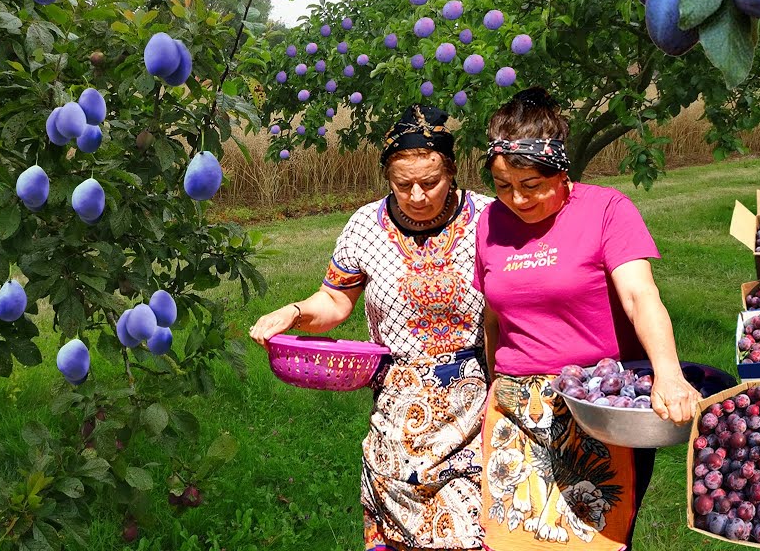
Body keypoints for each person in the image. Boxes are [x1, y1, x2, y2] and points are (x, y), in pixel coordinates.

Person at [250, 104, 494, 551]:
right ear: (388, 178)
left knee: (471, 533)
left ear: (453, 171)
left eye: (431, 182)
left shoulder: (489, 220)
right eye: (404, 185)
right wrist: (294, 312)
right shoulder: (365, 226)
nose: (417, 196)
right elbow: (335, 300)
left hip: (477, 404)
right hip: (396, 409)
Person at [471, 87, 700, 551]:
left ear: (561, 171)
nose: (516, 198)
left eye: (531, 185)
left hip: (597, 408)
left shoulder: (606, 210)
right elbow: (494, 318)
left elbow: (640, 296)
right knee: (514, 540)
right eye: (502, 185)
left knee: (592, 540)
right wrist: (495, 382)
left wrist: (670, 376)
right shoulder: (490, 223)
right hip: (519, 408)